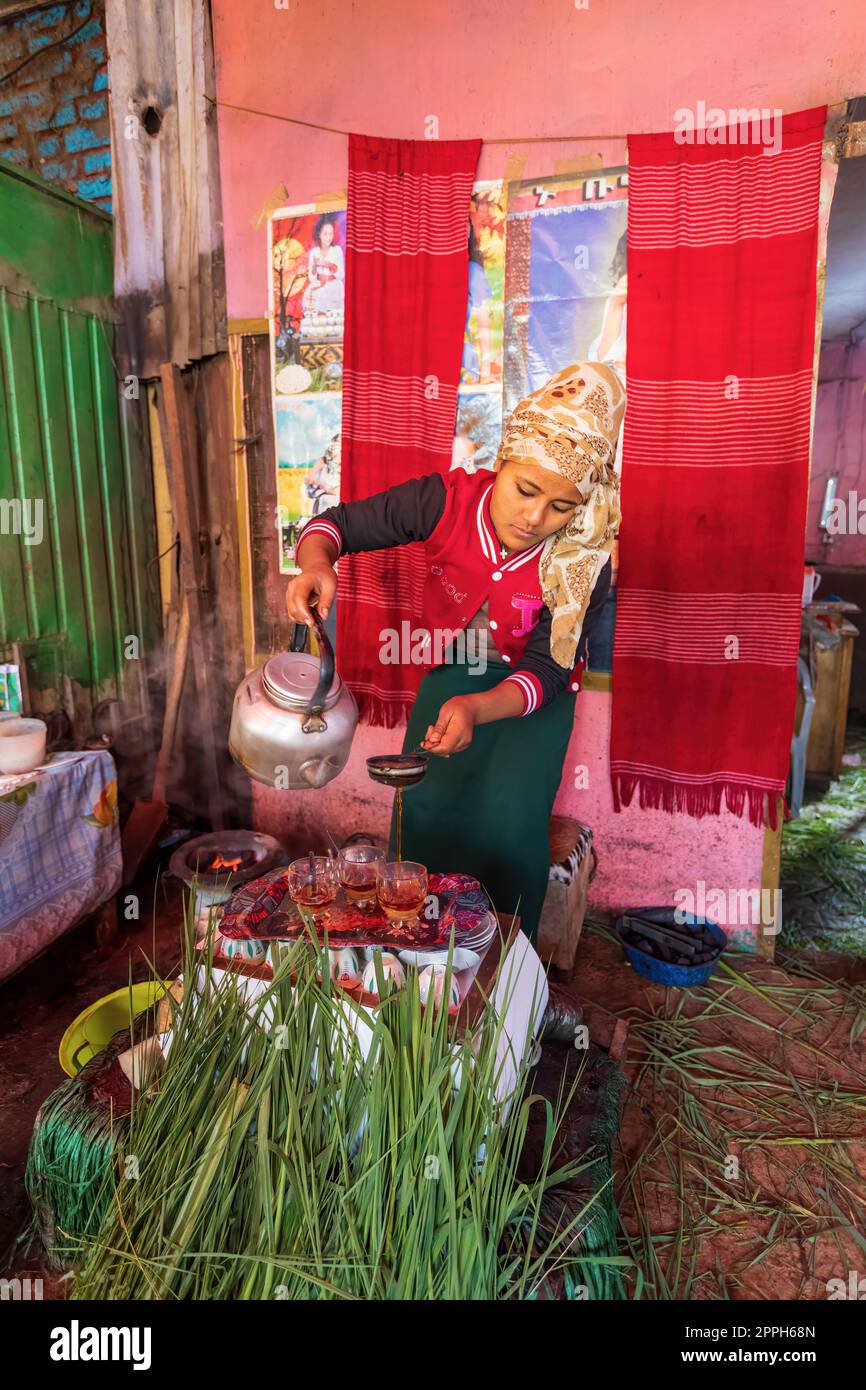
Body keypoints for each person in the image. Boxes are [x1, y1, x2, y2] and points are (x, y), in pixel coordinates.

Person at [287, 362, 625, 941]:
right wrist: (317, 565)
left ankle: (503, 966)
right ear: (504, 461)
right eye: (525, 489)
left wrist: (478, 708)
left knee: (508, 831)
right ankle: (419, 949)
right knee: (427, 813)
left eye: (562, 506)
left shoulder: (583, 563)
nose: (535, 517)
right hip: (448, 680)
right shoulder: (444, 502)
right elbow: (337, 525)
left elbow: (547, 667)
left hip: (529, 708)